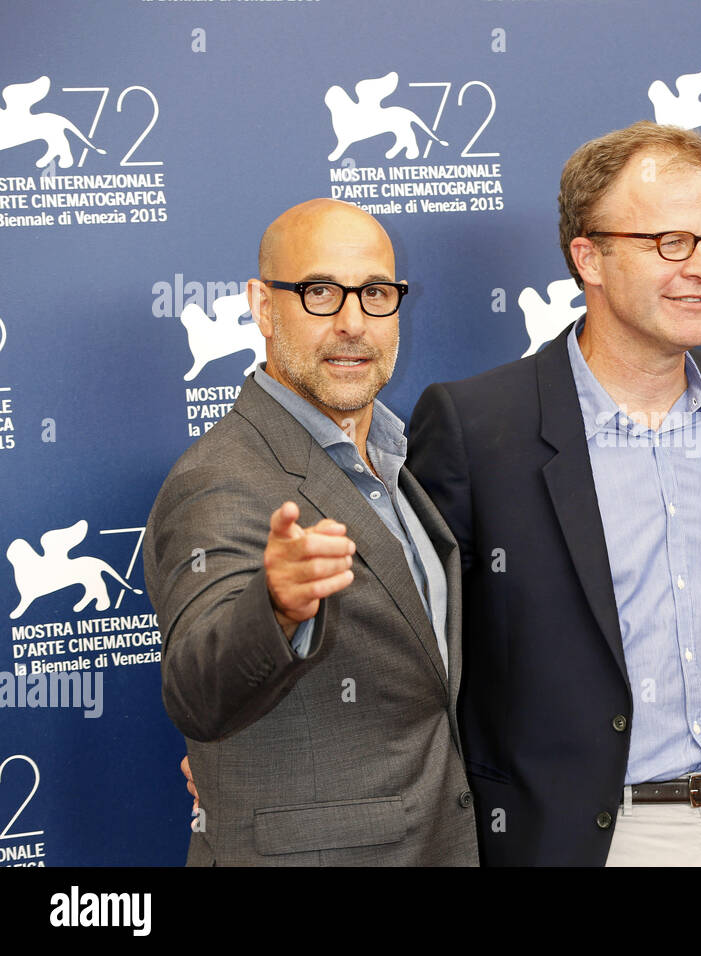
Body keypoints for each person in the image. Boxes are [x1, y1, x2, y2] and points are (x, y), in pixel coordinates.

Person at [408, 122, 701, 866]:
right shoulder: (476, 427)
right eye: (669, 242)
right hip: (594, 839)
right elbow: (414, 651)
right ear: (589, 257)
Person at [144, 199, 478, 866]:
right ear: (263, 308)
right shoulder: (220, 477)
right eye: (320, 293)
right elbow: (197, 689)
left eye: (376, 293)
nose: (353, 323)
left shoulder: (390, 456)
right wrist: (271, 607)